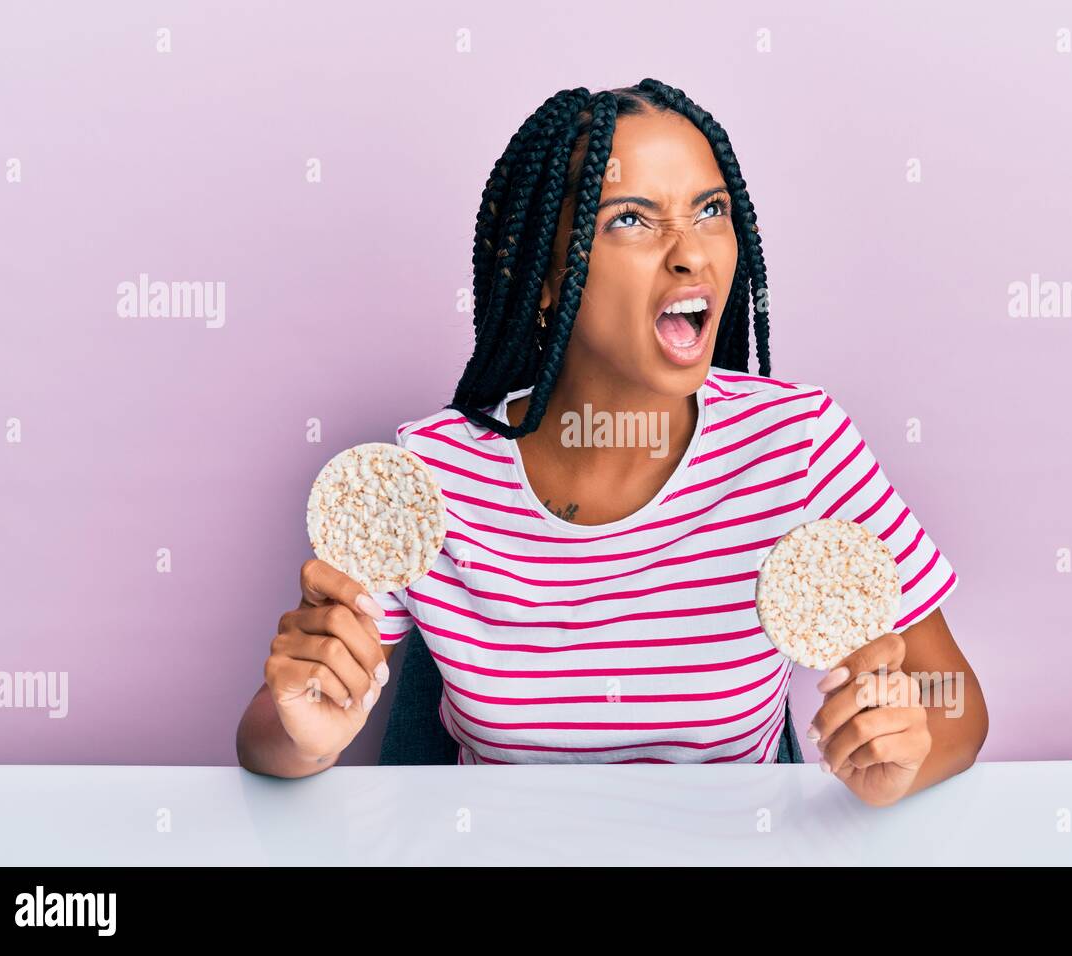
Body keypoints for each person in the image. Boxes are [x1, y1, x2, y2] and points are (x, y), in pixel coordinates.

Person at [237, 79, 988, 807]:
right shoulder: (429, 477)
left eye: (710, 210)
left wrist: (901, 753)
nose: (691, 253)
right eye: (631, 219)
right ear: (543, 276)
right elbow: (265, 743)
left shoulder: (796, 445)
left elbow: (956, 708)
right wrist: (304, 733)